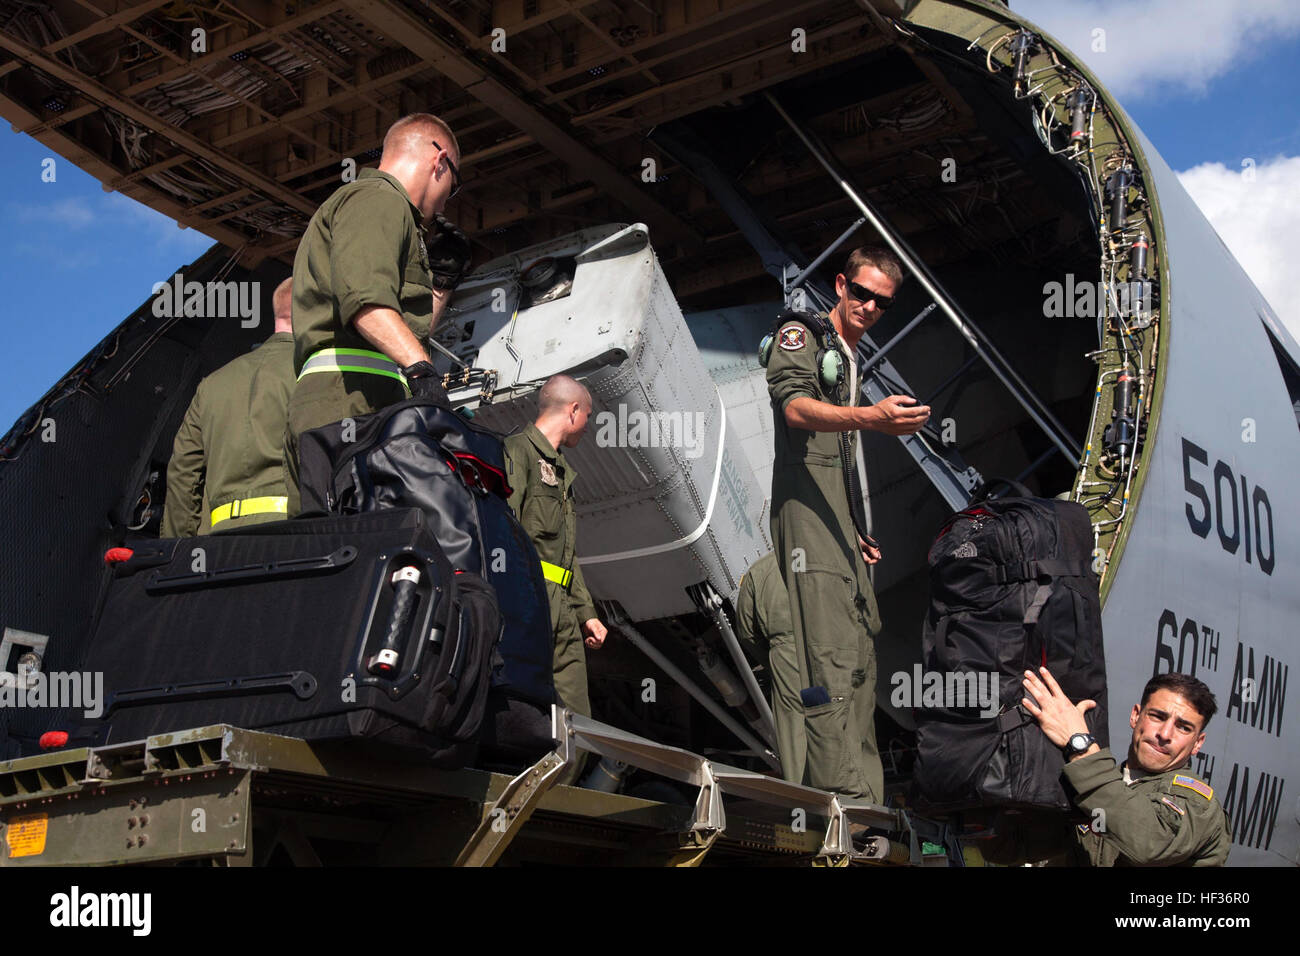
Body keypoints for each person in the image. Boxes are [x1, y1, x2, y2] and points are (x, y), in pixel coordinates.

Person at [765, 244, 930, 800]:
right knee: (830, 661)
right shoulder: (803, 333)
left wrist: (853, 529)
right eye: (860, 293)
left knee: (859, 656)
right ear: (840, 285)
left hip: (835, 526)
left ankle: (864, 800)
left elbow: (834, 461)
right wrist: (873, 418)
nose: (868, 306)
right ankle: (841, 803)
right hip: (806, 521)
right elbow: (792, 407)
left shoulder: (849, 354)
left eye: (881, 301)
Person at [282, 112, 472, 514]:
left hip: (370, 396)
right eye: (451, 187)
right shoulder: (378, 199)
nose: (444, 201)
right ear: (439, 163)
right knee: (348, 540)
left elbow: (402, 329)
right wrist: (424, 372)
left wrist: (440, 283)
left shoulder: (395, 216)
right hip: (348, 400)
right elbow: (366, 304)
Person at [504, 375, 608, 783]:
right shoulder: (517, 452)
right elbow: (505, 529)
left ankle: (559, 794)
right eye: (588, 416)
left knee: (577, 715)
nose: (588, 425)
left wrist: (587, 613)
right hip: (529, 597)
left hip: (561, 604)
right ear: (573, 411)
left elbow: (567, 553)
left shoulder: (561, 469)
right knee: (525, 704)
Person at [1022, 668, 1232, 866]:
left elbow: (1148, 843)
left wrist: (1079, 744)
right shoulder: (1094, 783)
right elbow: (1014, 848)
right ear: (1135, 716)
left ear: (1197, 743)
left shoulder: (1198, 804)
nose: (1165, 735)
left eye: (1183, 728)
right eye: (1158, 716)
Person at [161, 277, 296, 537]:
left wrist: (176, 553)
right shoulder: (316, 374)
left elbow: (183, 474)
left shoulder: (212, 384)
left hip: (216, 546)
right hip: (292, 539)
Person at [735, 552, 804, 783]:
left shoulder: (759, 570)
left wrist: (773, 659)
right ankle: (853, 803)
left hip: (784, 656)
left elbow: (746, 632)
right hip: (830, 652)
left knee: (794, 733)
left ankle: (807, 805)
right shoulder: (831, 552)